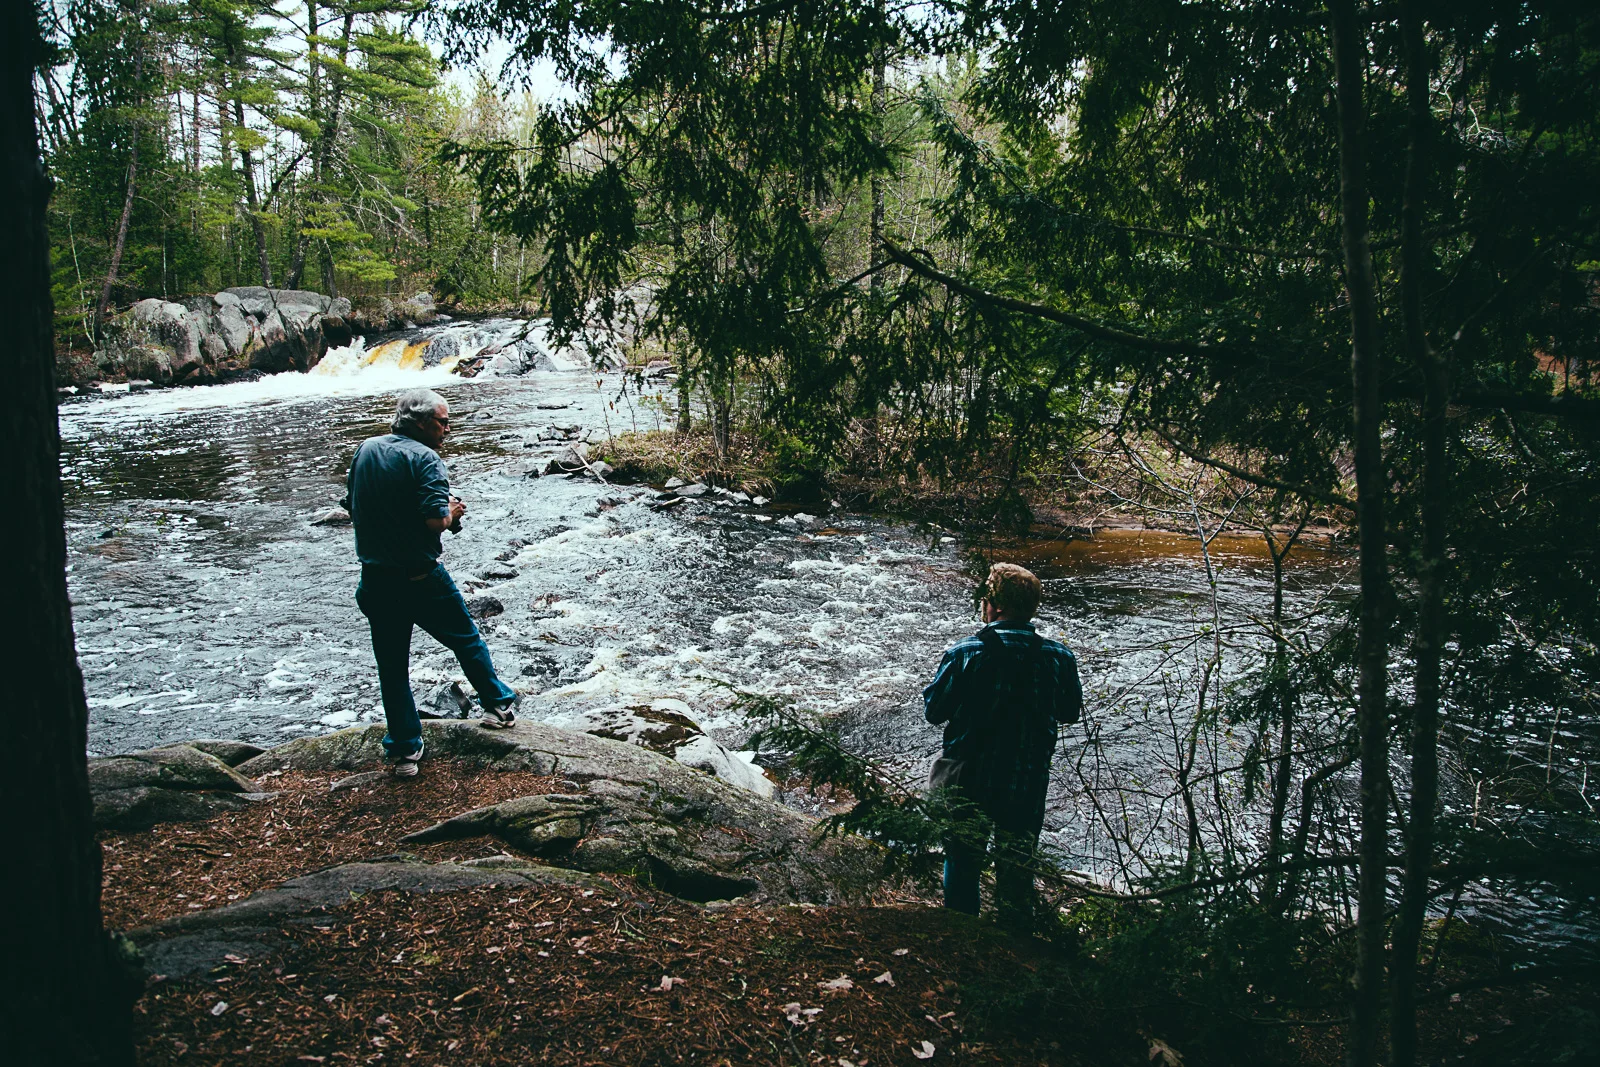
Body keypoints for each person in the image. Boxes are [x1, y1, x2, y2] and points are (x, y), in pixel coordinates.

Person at [345, 388, 520, 777]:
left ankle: (404, 751)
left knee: (392, 667)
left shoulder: (366, 449)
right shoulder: (425, 458)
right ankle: (497, 706)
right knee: (466, 639)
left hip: (375, 580)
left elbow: (352, 504)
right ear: (422, 423)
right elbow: (433, 521)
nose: (447, 429)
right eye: (443, 422)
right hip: (420, 578)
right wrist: (451, 512)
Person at [923, 562, 1082, 924]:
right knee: (1017, 865)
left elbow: (934, 712)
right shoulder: (1060, 657)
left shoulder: (964, 652)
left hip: (968, 775)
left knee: (962, 861)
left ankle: (963, 933)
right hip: (1027, 776)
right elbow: (1069, 712)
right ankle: (1016, 938)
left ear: (993, 605)